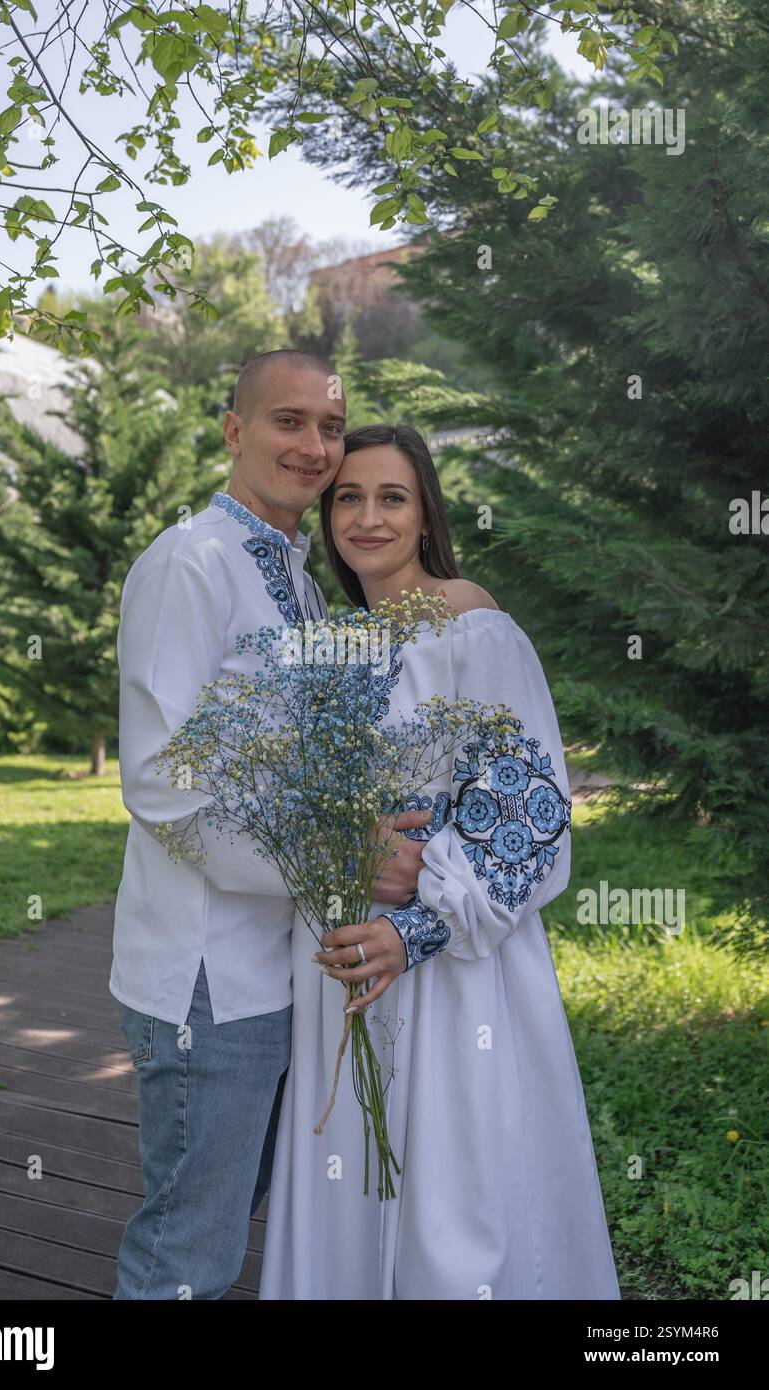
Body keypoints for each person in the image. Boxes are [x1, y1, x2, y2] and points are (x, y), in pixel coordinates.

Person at [258, 423, 621, 1300]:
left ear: (425, 517)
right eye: (348, 496)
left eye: (392, 498)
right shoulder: (339, 644)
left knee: (456, 1197)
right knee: (351, 1170)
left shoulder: (473, 622)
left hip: (454, 970)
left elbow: (529, 819)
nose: (367, 517)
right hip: (344, 962)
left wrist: (413, 929)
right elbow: (298, 798)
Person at [111, 355, 432, 1299]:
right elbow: (165, 785)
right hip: (205, 977)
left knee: (223, 1224)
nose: (314, 447)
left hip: (279, 966)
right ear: (233, 431)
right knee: (187, 1252)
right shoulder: (189, 564)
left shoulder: (299, 579)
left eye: (329, 429)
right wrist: (340, 858)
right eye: (288, 422)